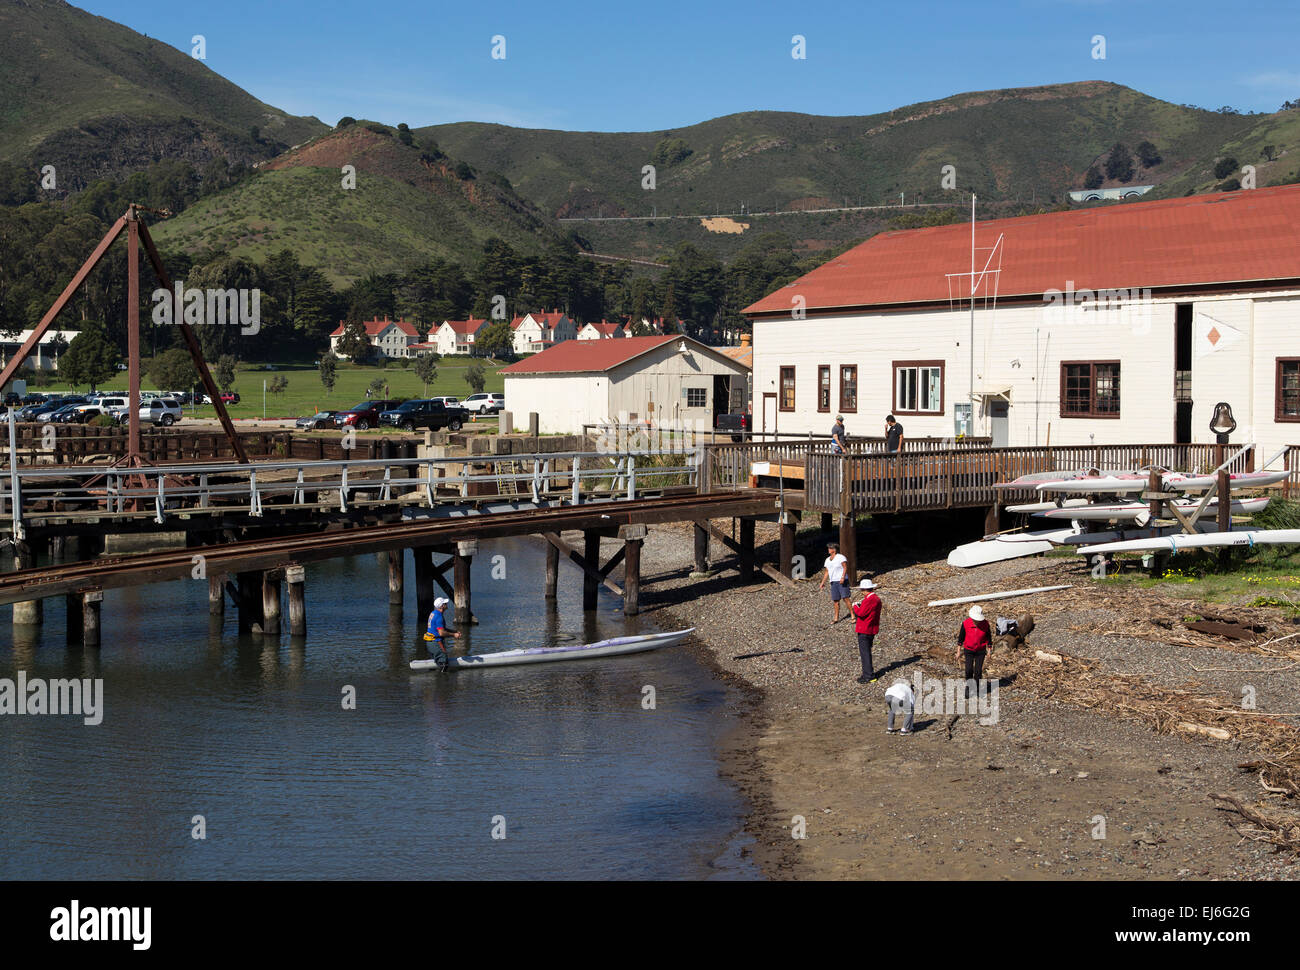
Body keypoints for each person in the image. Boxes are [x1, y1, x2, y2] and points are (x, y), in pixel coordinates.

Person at [956, 604, 992, 698]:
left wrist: (989, 650)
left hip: (980, 651)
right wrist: (958, 651)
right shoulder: (965, 624)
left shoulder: (985, 624)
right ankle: (968, 687)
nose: (977, 622)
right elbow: (961, 638)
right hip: (969, 650)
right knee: (968, 670)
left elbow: (989, 637)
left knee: (978, 671)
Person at [851, 577, 882, 683]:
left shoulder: (869, 600)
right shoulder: (876, 599)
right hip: (872, 628)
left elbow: (861, 613)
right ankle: (869, 674)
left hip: (864, 629)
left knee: (865, 653)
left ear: (864, 590)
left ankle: (868, 675)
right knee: (867, 652)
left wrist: (855, 606)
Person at [818, 541, 850, 623]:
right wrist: (823, 582)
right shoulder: (827, 560)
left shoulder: (841, 557)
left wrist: (843, 577)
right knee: (835, 600)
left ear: (834, 550)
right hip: (833, 581)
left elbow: (845, 567)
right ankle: (836, 618)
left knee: (845, 598)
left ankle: (852, 615)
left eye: (830, 548)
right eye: (828, 548)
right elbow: (827, 572)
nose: (828, 549)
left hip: (841, 580)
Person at [425, 596, 462, 662]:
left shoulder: (433, 613)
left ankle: (434, 670)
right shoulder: (439, 617)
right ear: (442, 606)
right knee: (444, 660)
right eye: (445, 604)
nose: (446, 604)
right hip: (435, 642)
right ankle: (443, 671)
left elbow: (441, 629)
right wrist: (454, 635)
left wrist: (454, 631)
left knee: (436, 661)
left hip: (430, 642)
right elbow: (441, 633)